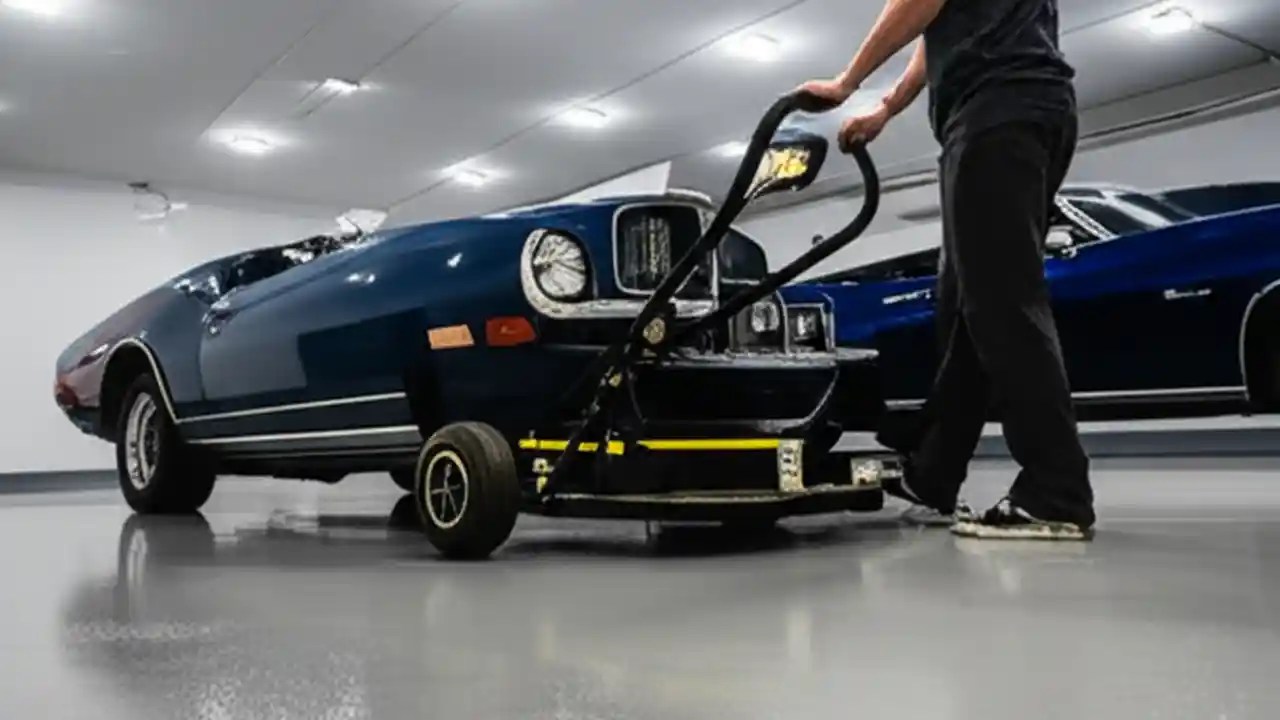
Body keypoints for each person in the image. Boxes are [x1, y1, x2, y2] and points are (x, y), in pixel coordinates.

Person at [796, 0, 1096, 540]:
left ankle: (1056, 492)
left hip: (997, 109)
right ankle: (933, 473)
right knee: (967, 306)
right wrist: (885, 108)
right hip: (1021, 108)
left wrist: (846, 82)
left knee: (1001, 303)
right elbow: (937, 26)